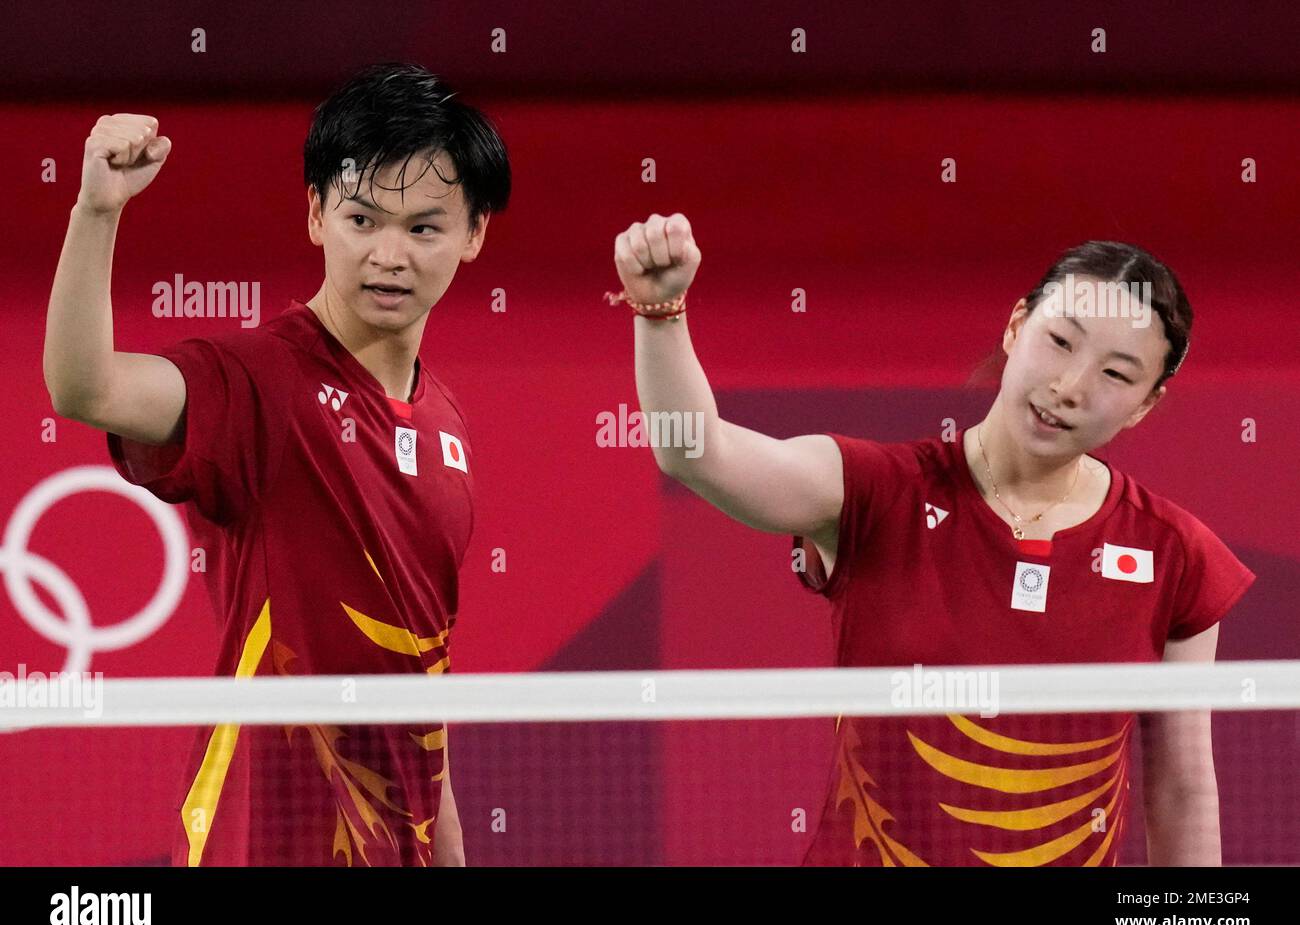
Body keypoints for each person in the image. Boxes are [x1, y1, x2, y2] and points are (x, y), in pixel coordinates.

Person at [615, 214, 1256, 866]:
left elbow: (1180, 785)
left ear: (1147, 403)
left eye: (1117, 375)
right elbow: (698, 454)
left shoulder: (1176, 554)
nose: (1071, 387)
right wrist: (659, 312)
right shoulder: (875, 493)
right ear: (1015, 326)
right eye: (1060, 341)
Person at [44, 62, 510, 866]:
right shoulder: (261, 383)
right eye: (362, 219)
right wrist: (96, 211)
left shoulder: (446, 425)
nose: (389, 254)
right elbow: (87, 386)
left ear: (472, 235)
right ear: (316, 214)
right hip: (267, 839)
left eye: (424, 228)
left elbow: (419, 685)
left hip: (395, 843)